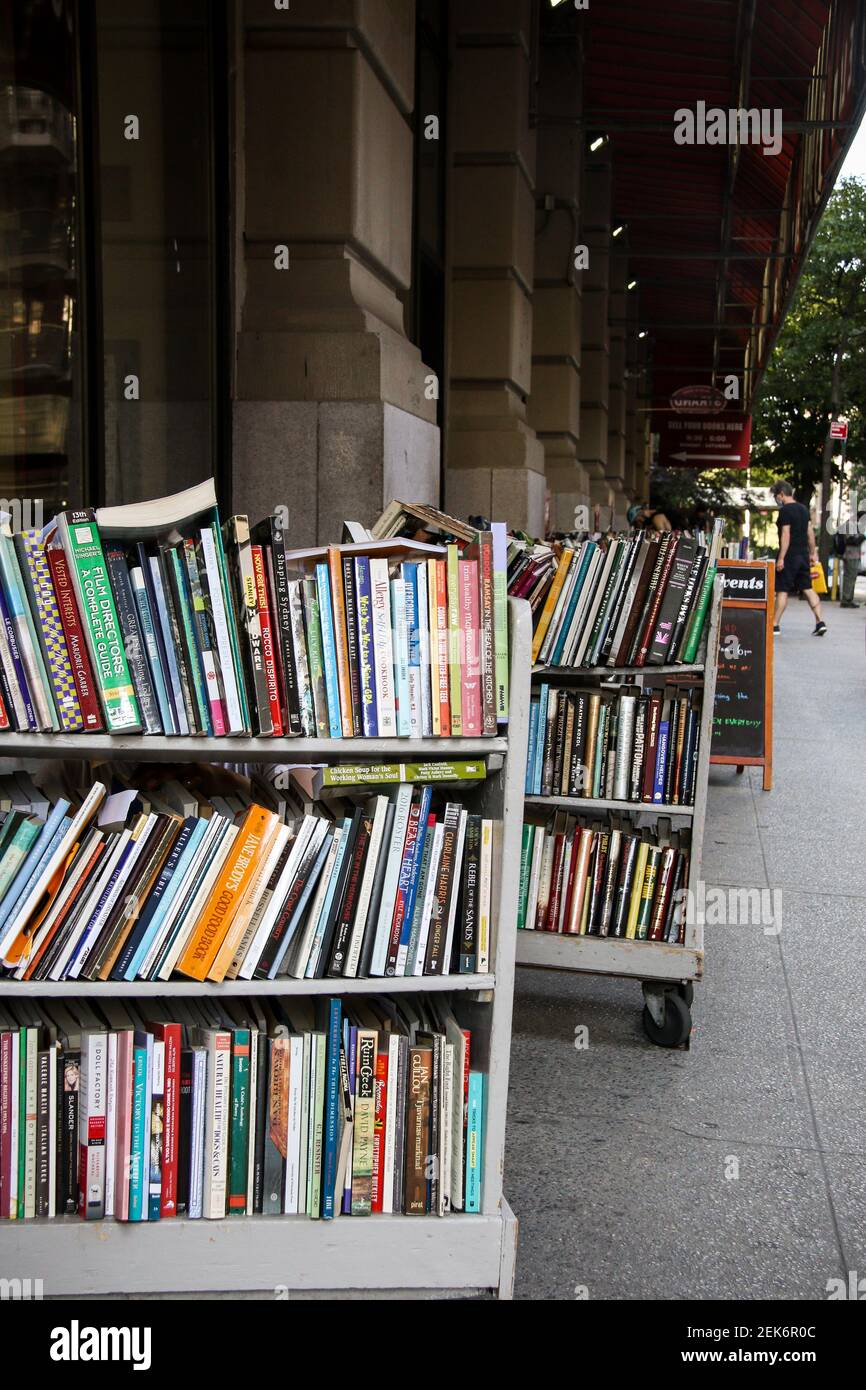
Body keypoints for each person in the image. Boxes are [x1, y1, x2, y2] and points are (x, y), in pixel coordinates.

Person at [770, 480, 826, 635]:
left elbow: (786, 534)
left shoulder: (785, 511)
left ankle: (775, 625)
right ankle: (820, 622)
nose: (777, 499)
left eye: (777, 496)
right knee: (807, 588)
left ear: (781, 494)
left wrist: (781, 557)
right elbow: (810, 533)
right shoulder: (803, 509)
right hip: (803, 556)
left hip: (789, 556)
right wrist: (812, 553)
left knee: (782, 590)